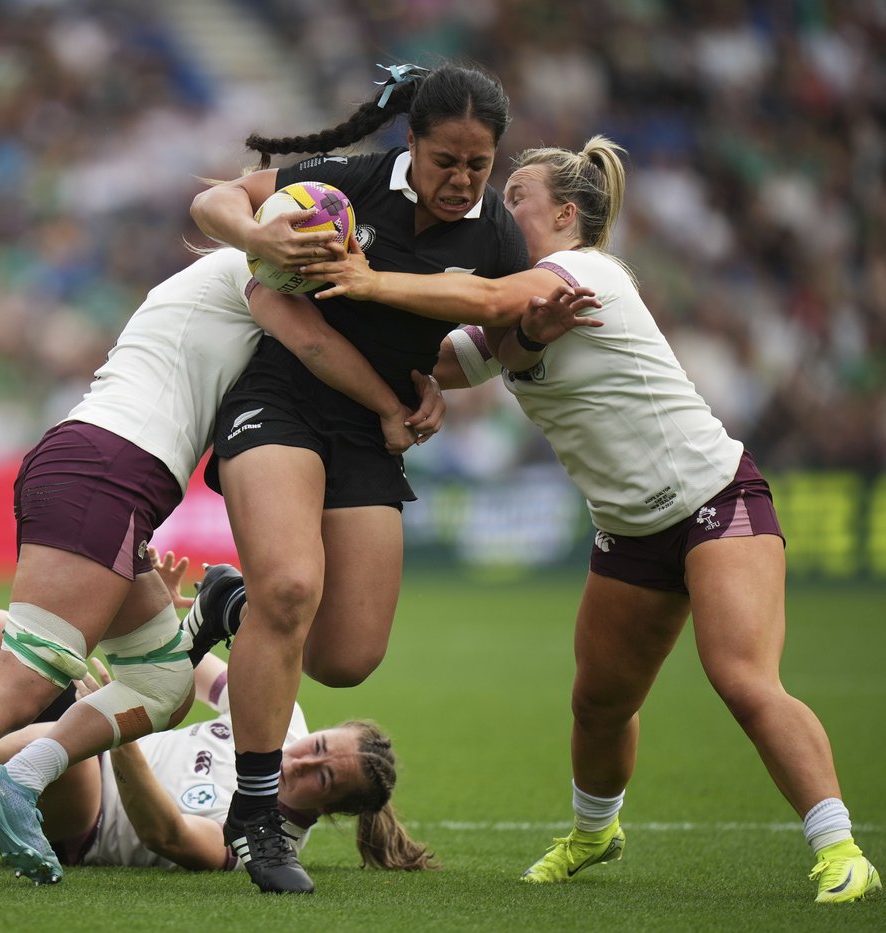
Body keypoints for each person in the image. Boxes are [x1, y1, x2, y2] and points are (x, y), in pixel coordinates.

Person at [0, 241, 443, 890]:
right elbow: (323, 344)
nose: (318, 281)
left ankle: (8, 765)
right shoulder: (257, 276)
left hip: (107, 469)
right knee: (28, 679)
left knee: (162, 678)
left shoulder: (222, 282)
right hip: (112, 470)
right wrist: (398, 405)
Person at [300, 134, 882, 905]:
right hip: (631, 530)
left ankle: (839, 847)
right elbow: (443, 361)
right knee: (599, 702)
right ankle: (594, 832)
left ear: (565, 215)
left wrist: (370, 280)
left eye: (515, 200)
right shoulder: (527, 305)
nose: (494, 209)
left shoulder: (584, 271)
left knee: (741, 677)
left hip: (717, 499)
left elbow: (492, 305)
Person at [183, 61, 558, 894]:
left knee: (347, 658)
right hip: (281, 398)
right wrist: (257, 237)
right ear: (411, 143)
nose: (461, 181)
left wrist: (449, 380)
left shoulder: (495, 235)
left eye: (479, 166)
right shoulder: (349, 186)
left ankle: (226, 603)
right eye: (445, 161)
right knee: (290, 587)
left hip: (372, 430)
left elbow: (500, 342)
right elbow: (214, 200)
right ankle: (257, 816)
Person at [0, 532, 436, 874]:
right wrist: (168, 626)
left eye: (321, 777)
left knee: (64, 706)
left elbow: (170, 836)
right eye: (318, 747)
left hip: (85, 823)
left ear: (329, 812)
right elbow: (198, 674)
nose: (302, 759)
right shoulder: (281, 721)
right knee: (18, 636)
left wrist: (113, 732)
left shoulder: (271, 843)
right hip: (97, 745)